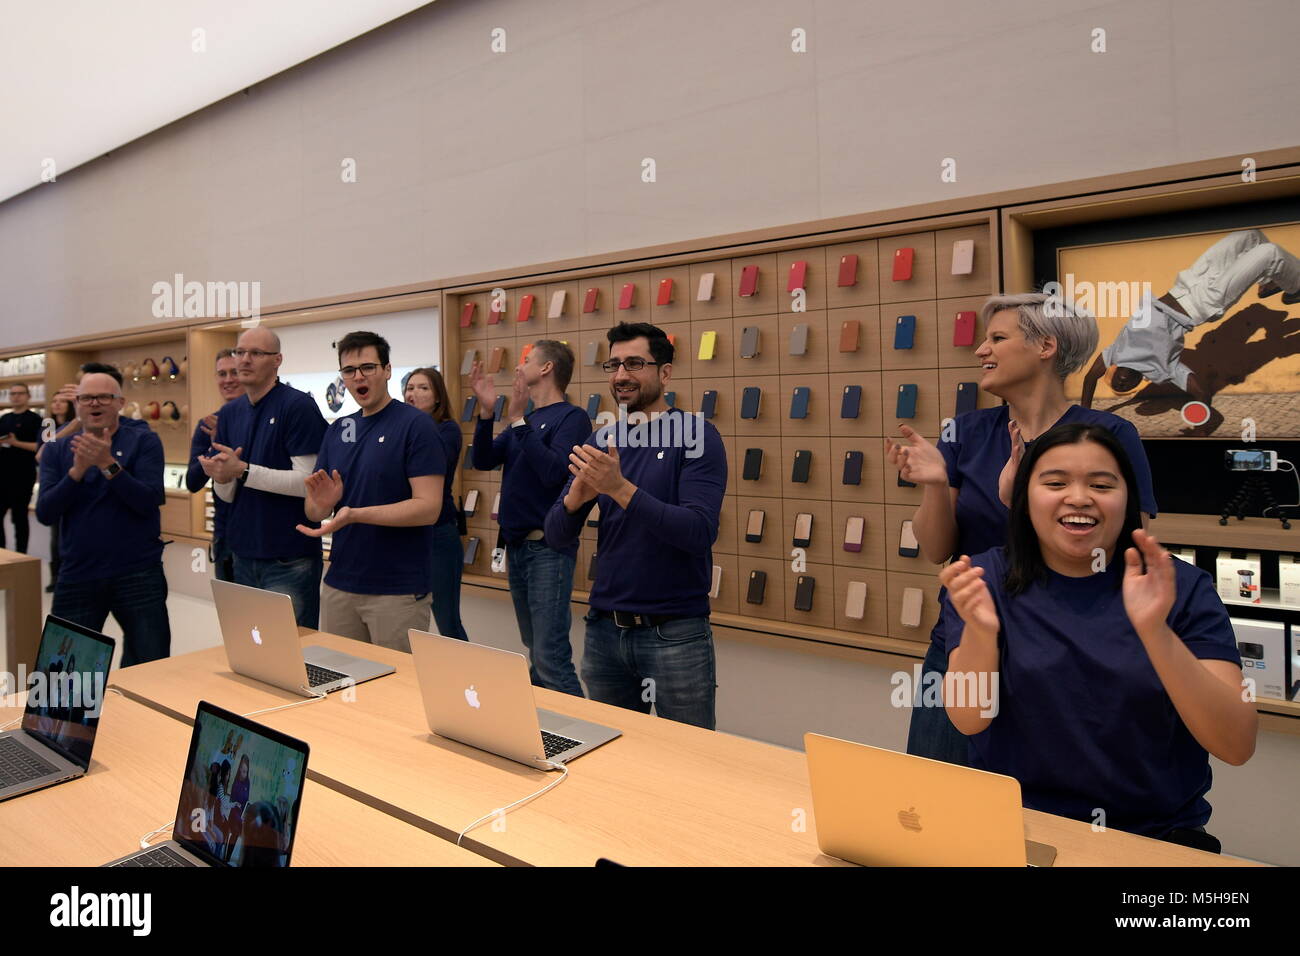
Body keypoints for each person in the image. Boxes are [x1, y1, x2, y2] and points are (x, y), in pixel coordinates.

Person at [940, 423, 1256, 845]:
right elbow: (967, 719)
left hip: (1153, 837)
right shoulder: (985, 578)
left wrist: (1155, 633)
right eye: (1055, 482)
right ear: (1024, 497)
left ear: (1128, 499)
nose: (1078, 497)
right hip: (1018, 829)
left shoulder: (1180, 587)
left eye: (1101, 484)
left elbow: (1235, 744)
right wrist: (981, 634)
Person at [885, 292, 1158, 766]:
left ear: (1046, 346)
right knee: (935, 798)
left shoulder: (1108, 436)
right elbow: (935, 550)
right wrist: (933, 485)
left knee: (1039, 808)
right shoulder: (965, 432)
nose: (980, 350)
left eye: (997, 338)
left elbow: (1132, 550)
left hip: (1059, 645)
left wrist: (1019, 501)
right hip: (964, 635)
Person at [544, 322, 727, 729]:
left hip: (675, 634)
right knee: (613, 760)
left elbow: (698, 531)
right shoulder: (602, 440)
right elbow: (556, 535)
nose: (621, 375)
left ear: (664, 373)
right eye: (614, 364)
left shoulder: (697, 435)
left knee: (689, 762)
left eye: (635, 363)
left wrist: (620, 488)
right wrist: (577, 498)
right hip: (604, 630)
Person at [298, 332, 445, 652]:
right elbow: (314, 512)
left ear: (388, 370)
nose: (358, 377)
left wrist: (355, 514)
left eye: (368, 367)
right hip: (340, 584)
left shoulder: (416, 425)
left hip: (397, 591)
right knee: (340, 689)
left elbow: (428, 507)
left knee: (396, 696)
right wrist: (321, 505)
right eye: (349, 371)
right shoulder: (338, 429)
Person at [1080, 229, 1300, 435]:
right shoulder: (1164, 370)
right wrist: (1201, 427)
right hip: (1204, 302)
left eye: (1116, 383)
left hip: (1187, 284)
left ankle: (1270, 282)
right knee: (1270, 253)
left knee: (1249, 236)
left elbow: (1090, 378)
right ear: (1137, 384)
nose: (1120, 385)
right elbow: (1201, 393)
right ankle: (1296, 288)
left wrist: (1085, 415)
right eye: (1124, 388)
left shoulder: (1115, 353)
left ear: (1114, 371)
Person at [470, 340, 590, 694]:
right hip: (518, 548)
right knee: (535, 651)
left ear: (547, 368)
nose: (518, 367)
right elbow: (484, 459)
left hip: (547, 548)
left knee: (551, 657)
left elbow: (554, 473)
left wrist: (519, 421)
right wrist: (487, 412)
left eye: (526, 360)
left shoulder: (572, 418)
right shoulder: (526, 420)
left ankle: (578, 734)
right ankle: (544, 732)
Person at [36, 364, 171, 666]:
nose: (94, 403)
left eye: (104, 397)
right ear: (77, 404)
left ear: (120, 403)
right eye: (86, 398)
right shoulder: (56, 450)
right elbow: (46, 512)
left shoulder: (144, 441)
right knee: (67, 675)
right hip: (78, 573)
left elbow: (148, 501)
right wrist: (78, 471)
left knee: (150, 665)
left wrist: (108, 464)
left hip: (138, 572)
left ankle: (139, 715)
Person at [201, 328, 328, 627]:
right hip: (242, 553)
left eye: (256, 353)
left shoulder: (297, 406)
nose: (244, 360)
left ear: (277, 360)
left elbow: (308, 484)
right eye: (239, 352)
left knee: (292, 653)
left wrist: (242, 471)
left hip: (289, 557)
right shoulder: (230, 413)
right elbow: (230, 494)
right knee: (252, 652)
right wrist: (221, 477)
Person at [404, 366, 468, 640]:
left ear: (438, 397)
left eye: (423, 388)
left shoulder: (447, 429)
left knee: (447, 619)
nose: (413, 393)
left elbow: (428, 467)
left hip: (438, 534)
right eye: (409, 388)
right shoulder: (402, 429)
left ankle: (467, 681)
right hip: (408, 533)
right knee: (405, 615)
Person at [186, 349, 243, 582]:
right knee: (233, 616)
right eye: (222, 373)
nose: (228, 380)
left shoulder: (265, 420)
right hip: (226, 536)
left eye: (234, 372)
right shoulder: (207, 424)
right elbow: (192, 482)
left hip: (265, 538)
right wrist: (216, 444)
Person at [37, 393, 77, 591]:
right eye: (54, 401)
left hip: (75, 481)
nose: (57, 405)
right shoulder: (49, 426)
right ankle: (56, 576)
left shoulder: (76, 424)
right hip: (56, 483)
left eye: (62, 401)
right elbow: (41, 453)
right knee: (56, 534)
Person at [0, 382, 42, 553]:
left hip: (23, 475)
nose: (16, 396)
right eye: (13, 393)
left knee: (19, 518)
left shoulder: (37, 420)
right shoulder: (4, 419)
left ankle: (21, 555)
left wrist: (15, 443)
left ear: (28, 396)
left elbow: (43, 446)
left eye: (20, 393)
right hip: (2, 475)